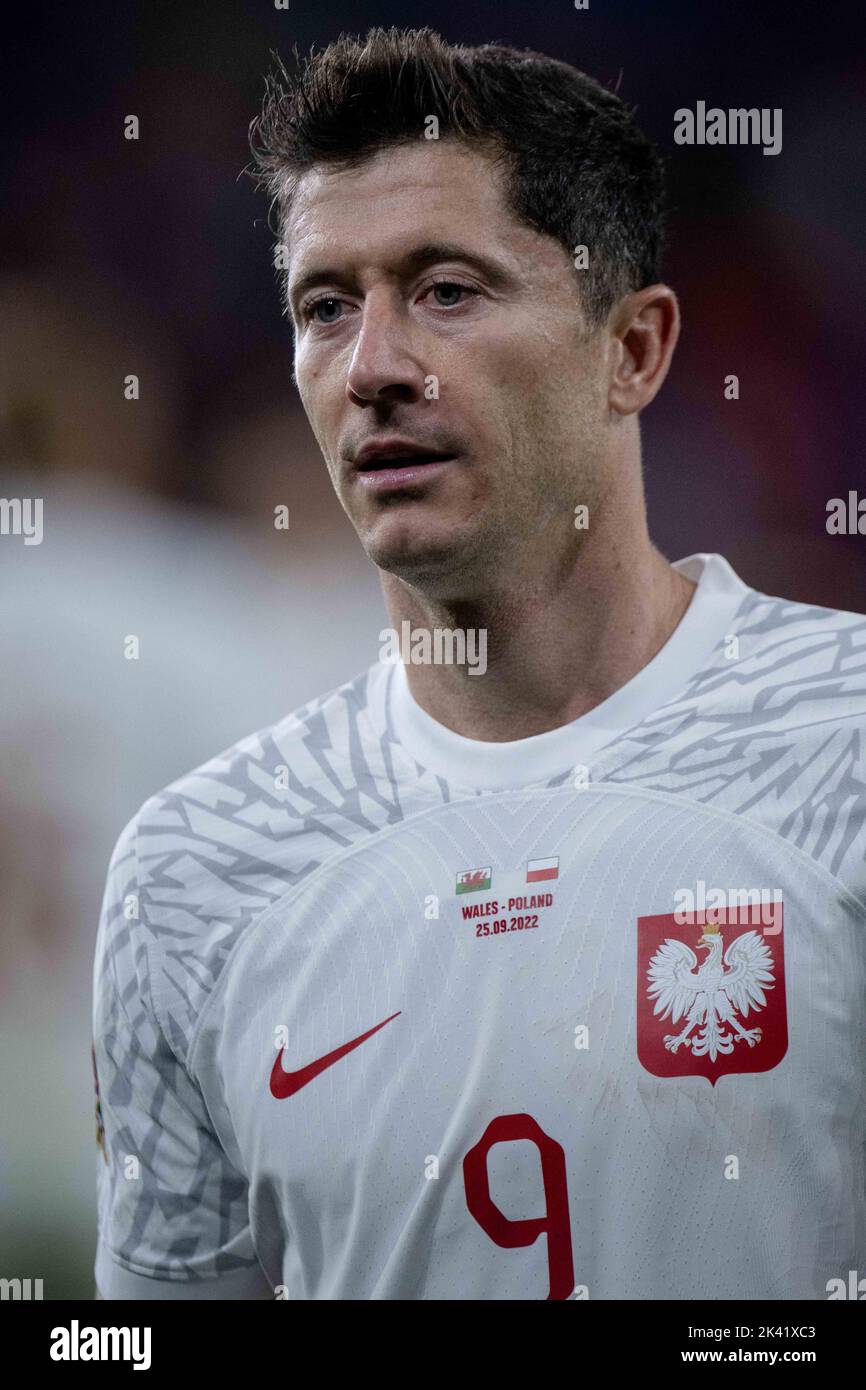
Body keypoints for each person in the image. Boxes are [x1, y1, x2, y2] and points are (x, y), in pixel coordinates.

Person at [92, 26, 866, 1300]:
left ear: (633, 350)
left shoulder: (839, 740)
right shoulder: (195, 871)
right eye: (324, 307)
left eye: (445, 289)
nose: (373, 369)